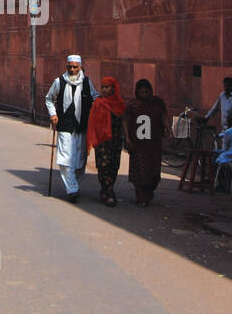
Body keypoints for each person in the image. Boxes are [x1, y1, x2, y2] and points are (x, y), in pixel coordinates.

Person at [45, 55, 99, 203]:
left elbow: (96, 98)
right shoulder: (59, 81)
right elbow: (49, 98)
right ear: (66, 67)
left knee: (80, 160)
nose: (72, 70)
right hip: (65, 125)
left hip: (81, 126)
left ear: (80, 67)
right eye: (70, 67)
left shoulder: (87, 82)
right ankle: (72, 189)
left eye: (75, 67)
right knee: (65, 158)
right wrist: (53, 114)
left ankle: (73, 183)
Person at [125, 79, 167, 207]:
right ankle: (141, 197)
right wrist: (127, 138)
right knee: (139, 171)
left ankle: (149, 191)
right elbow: (125, 121)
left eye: (146, 92)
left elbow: (163, 116)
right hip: (138, 144)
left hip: (154, 143)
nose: (144, 94)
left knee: (153, 172)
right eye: (141, 92)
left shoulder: (157, 103)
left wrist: (169, 130)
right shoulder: (133, 105)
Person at [87, 76, 127, 207]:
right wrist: (92, 139)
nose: (104, 90)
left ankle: (107, 190)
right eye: (103, 87)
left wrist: (127, 138)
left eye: (107, 87)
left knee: (114, 164)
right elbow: (92, 122)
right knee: (103, 165)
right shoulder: (98, 103)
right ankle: (108, 191)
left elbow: (123, 121)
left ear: (113, 88)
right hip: (102, 140)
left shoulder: (119, 104)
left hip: (115, 139)